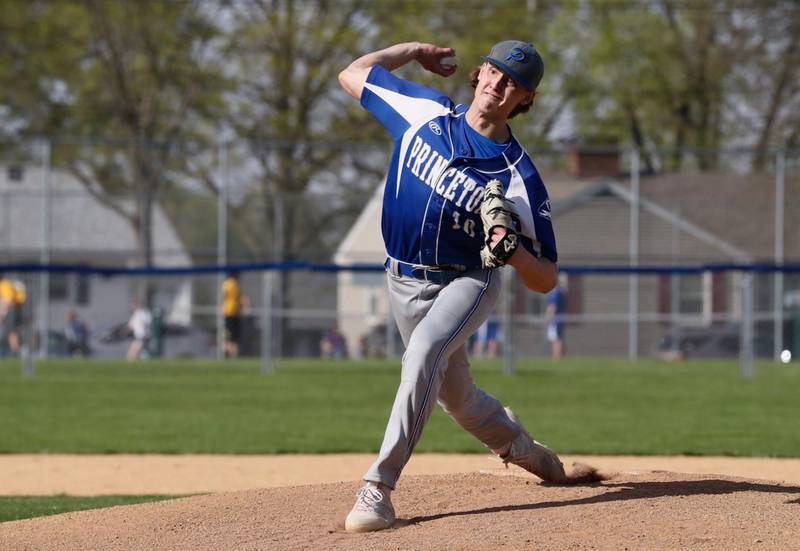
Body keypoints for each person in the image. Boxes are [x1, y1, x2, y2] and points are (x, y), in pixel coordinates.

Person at [338, 40, 601, 533]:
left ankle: (378, 487)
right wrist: (412, 51)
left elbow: (545, 279)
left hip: (467, 280)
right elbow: (352, 74)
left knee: (423, 355)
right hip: (401, 278)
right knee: (456, 400)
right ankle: (529, 452)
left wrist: (514, 252)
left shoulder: (518, 175)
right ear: (479, 73)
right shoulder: (424, 112)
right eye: (495, 72)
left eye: (513, 84)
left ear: (524, 100)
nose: (499, 85)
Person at [0, 273, 26, 356]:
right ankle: (17, 351)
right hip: (13, 309)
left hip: (12, 310)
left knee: (12, 332)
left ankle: (18, 351)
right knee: (12, 332)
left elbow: (9, 300)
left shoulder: (4, 284)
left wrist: (3, 312)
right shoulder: (5, 284)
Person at [545, 276, 568, 360]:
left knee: (556, 339)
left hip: (555, 319)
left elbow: (552, 307)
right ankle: (561, 356)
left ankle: (556, 357)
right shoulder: (561, 292)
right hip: (559, 318)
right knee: (558, 338)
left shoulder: (556, 293)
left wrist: (548, 318)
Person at [222, 272, 243, 358]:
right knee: (229, 335)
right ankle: (229, 352)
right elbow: (224, 295)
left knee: (233, 335)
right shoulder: (229, 284)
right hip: (229, 313)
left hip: (235, 313)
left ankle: (232, 353)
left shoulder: (235, 285)